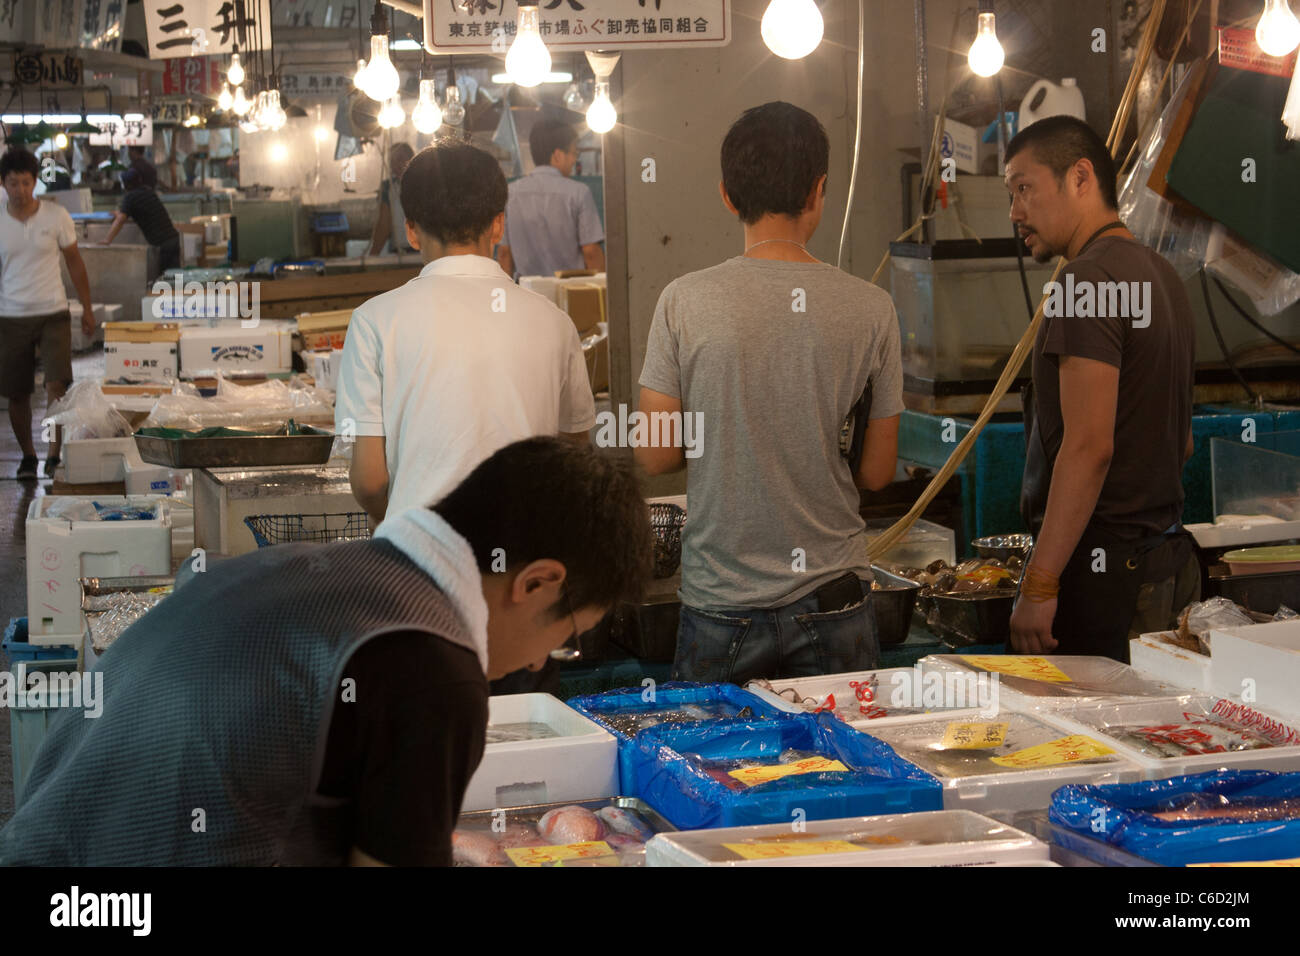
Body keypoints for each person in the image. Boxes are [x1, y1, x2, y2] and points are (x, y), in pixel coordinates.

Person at [0, 437, 652, 866]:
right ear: (537, 582)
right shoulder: (433, 669)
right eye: (562, 639)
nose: (538, 664)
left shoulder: (299, 568)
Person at [635, 102, 904, 686]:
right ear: (820, 190)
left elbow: (655, 456)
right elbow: (879, 472)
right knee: (843, 773)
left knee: (712, 769)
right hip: (835, 597)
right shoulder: (872, 308)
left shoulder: (683, 301)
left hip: (720, 602)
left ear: (728, 196)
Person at [1004, 115, 1198, 662]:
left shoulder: (1083, 280)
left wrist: (1040, 583)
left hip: (1105, 583)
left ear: (1081, 177)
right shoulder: (1163, 277)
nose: (1015, 211)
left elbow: (1089, 447)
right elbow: (1178, 443)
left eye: (1025, 188)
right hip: (1166, 569)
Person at [337, 140, 597, 527]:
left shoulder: (373, 321)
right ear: (497, 224)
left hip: (418, 561)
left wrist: (393, 525)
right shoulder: (554, 321)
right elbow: (574, 456)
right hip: (527, 558)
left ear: (411, 231)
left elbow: (370, 481)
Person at [0, 148, 95, 480]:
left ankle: (53, 455)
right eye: (13, 183)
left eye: (27, 183)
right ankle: (28, 456)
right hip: (10, 316)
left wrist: (86, 307)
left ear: (35, 182)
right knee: (17, 391)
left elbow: (74, 262)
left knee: (58, 384)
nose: (21, 190)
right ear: (3, 183)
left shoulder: (56, 216)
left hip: (53, 311)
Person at [496, 119, 605, 280]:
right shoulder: (578, 193)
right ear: (558, 155)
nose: (575, 160)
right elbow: (591, 253)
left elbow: (504, 254)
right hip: (571, 292)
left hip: (527, 294)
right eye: (574, 153)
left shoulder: (510, 194)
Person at [99, 167, 181, 275]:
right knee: (174, 280)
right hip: (174, 239)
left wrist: (107, 240)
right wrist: (119, 213)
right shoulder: (148, 192)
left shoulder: (130, 197)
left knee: (167, 282)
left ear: (126, 185)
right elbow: (136, 211)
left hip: (164, 245)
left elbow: (120, 220)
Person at [368, 141, 416, 255]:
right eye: (392, 161)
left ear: (412, 160)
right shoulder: (388, 187)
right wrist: (373, 255)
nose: (396, 165)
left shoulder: (424, 184)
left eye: (400, 159)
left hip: (423, 252)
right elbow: (384, 224)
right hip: (399, 251)